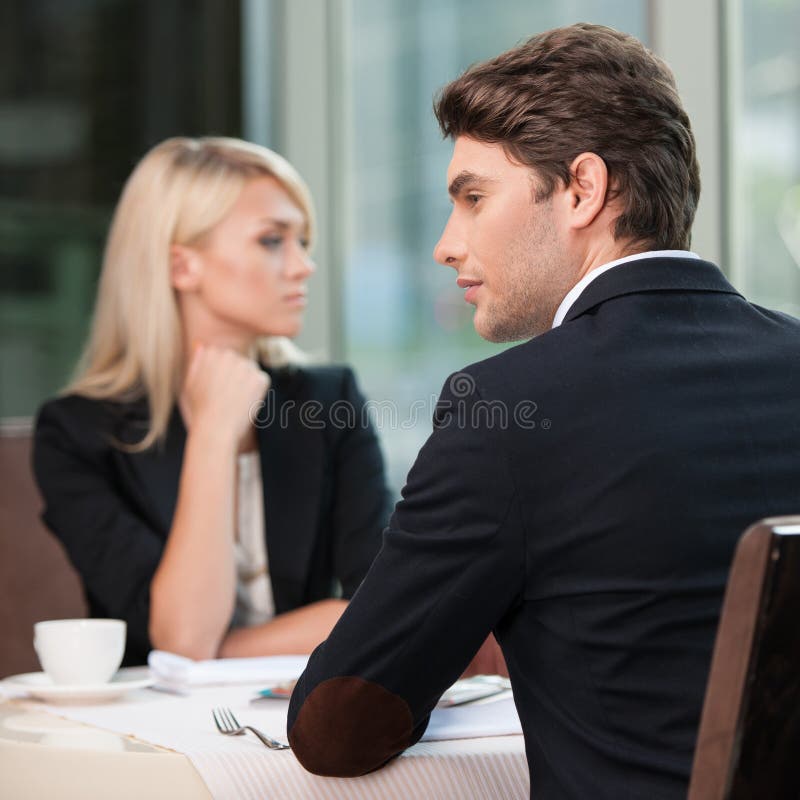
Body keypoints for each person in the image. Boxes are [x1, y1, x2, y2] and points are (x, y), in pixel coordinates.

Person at [286, 23, 800, 799]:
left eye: (472, 197)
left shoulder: (505, 409)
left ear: (583, 190)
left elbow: (335, 730)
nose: (445, 244)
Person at [33, 137, 391, 667]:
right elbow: (181, 635)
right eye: (272, 241)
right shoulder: (77, 434)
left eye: (303, 241)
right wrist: (214, 434)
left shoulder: (327, 400)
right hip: (150, 736)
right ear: (182, 267)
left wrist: (220, 652)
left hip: (304, 711)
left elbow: (386, 607)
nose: (302, 266)